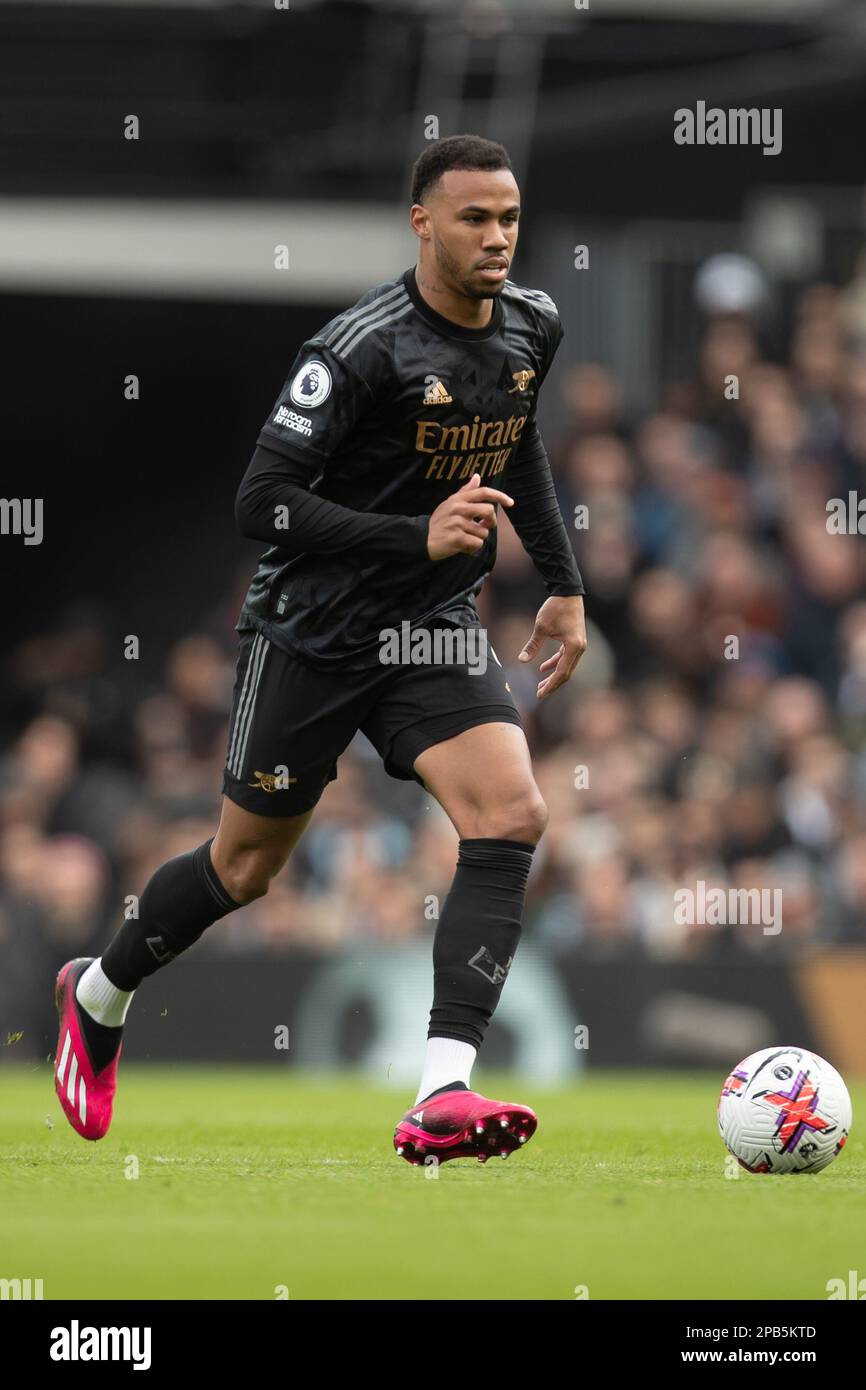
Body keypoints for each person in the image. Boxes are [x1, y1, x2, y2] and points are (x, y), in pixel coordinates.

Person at [53, 133, 587, 1165]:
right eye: (473, 218)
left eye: (509, 218)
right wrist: (409, 535)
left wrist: (562, 584)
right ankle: (99, 990)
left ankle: (441, 1090)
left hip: (428, 628)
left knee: (511, 810)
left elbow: (517, 437)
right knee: (244, 867)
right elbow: (259, 504)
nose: (496, 238)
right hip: (311, 632)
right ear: (421, 223)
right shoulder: (358, 349)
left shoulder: (532, 327)